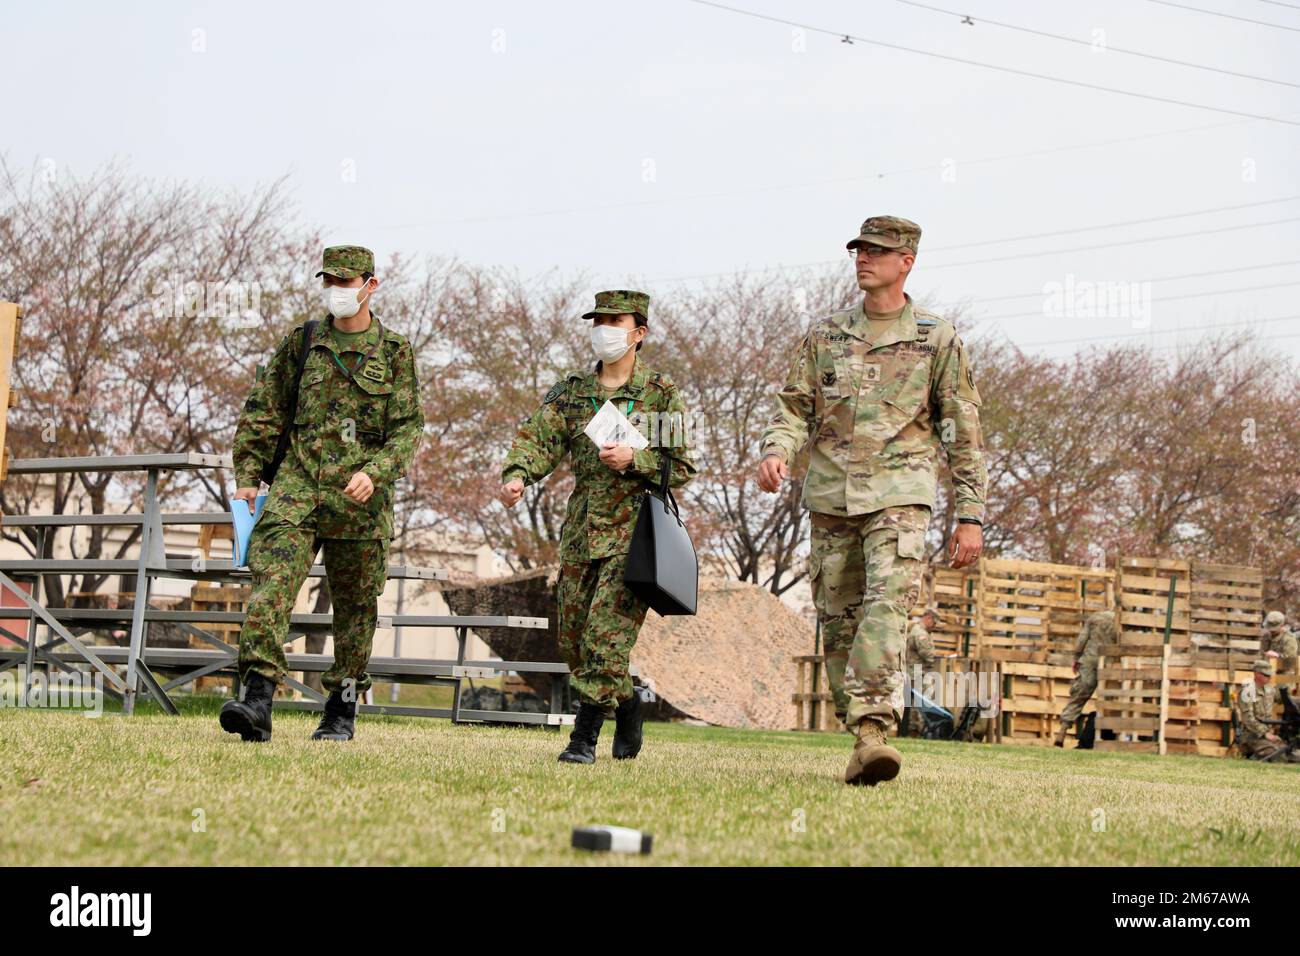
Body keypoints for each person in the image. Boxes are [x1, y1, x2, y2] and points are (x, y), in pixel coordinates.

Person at [758, 216, 987, 786]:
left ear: (906, 261)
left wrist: (971, 513)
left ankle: (876, 727)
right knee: (838, 623)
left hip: (901, 495)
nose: (864, 259)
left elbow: (963, 429)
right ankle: (862, 738)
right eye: (860, 249)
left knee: (887, 604)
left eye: (878, 252)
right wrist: (776, 449)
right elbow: (794, 406)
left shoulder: (936, 338)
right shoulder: (825, 336)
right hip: (832, 497)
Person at [220, 245, 424, 742]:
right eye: (328, 281)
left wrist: (376, 472)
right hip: (297, 487)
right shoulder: (303, 341)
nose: (336, 290)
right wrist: (248, 473)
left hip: (361, 501)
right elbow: (264, 408)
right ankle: (258, 699)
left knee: (355, 611)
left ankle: (340, 710)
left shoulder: (395, 351)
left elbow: (407, 430)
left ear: (370, 285)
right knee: (271, 585)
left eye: (345, 281)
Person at [499, 290, 696, 764]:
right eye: (598, 319)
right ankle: (627, 701)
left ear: (638, 333)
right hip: (581, 534)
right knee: (574, 641)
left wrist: (636, 457)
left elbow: (682, 466)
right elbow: (537, 438)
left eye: (614, 320)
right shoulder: (572, 392)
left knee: (604, 637)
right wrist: (517, 474)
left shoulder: (660, 393)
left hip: (634, 537)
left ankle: (581, 740)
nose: (603, 328)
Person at [1238, 658, 1300, 763]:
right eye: (1266, 675)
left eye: (1269, 675)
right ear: (1257, 674)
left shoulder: (1269, 690)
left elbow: (1287, 700)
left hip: (1269, 738)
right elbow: (1248, 720)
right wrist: (1265, 734)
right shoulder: (1247, 693)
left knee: (1294, 755)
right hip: (1252, 738)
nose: (1269, 677)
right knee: (1279, 757)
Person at [903, 607, 939, 737]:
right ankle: (918, 730)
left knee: (916, 703)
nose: (934, 626)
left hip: (916, 673)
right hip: (918, 673)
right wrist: (935, 657)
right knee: (923, 702)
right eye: (934, 623)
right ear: (928, 618)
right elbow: (927, 654)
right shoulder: (920, 633)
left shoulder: (919, 631)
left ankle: (915, 731)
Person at [1260, 610, 1297, 675]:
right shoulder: (1266, 637)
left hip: (1284, 676)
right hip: (1267, 673)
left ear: (1282, 626)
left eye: (1274, 629)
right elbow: (1261, 654)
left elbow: (1291, 662)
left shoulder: (1289, 639)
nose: (1271, 630)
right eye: (1269, 628)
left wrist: (1277, 656)